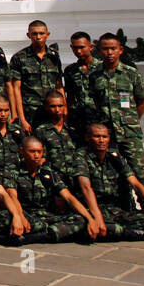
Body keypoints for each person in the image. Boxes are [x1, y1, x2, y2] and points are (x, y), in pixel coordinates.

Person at [82, 123, 144, 241]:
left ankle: (131, 231)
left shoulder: (114, 156)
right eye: (97, 136)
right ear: (87, 138)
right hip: (96, 210)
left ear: (109, 138)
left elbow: (136, 184)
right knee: (97, 227)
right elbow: (86, 188)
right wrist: (98, 219)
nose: (101, 140)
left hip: (117, 211)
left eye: (104, 137)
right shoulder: (82, 157)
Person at [89, 32, 144, 191]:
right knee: (114, 172)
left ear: (120, 50)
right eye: (105, 49)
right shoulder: (95, 75)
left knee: (140, 172)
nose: (109, 52)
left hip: (129, 133)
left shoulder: (131, 74)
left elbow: (141, 101)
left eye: (113, 48)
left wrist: (131, 121)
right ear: (99, 50)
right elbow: (95, 101)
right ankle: (126, 208)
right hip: (107, 134)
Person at [34, 90, 105, 230]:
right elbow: (41, 161)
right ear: (47, 108)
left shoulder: (72, 131)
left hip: (75, 182)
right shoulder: (41, 131)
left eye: (60, 106)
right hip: (55, 183)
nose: (57, 110)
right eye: (53, 106)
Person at [6, 137, 97, 243]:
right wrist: (20, 216)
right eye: (32, 151)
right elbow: (12, 196)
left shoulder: (47, 173)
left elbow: (68, 197)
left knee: (80, 219)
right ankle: (52, 233)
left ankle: (41, 235)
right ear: (22, 151)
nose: (36, 156)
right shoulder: (13, 170)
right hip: (26, 215)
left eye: (39, 152)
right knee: (5, 218)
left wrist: (90, 219)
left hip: (45, 217)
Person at [8, 20, 62, 132]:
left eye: (42, 33)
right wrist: (22, 119)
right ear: (29, 35)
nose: (38, 37)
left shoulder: (54, 57)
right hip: (30, 113)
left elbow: (59, 85)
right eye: (34, 34)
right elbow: (16, 89)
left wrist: (64, 112)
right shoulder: (20, 58)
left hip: (53, 112)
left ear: (47, 34)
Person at [63, 31, 99, 141]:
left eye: (82, 47)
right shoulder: (70, 70)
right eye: (75, 48)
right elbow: (69, 96)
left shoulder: (102, 68)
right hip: (78, 120)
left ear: (91, 47)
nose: (78, 51)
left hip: (98, 119)